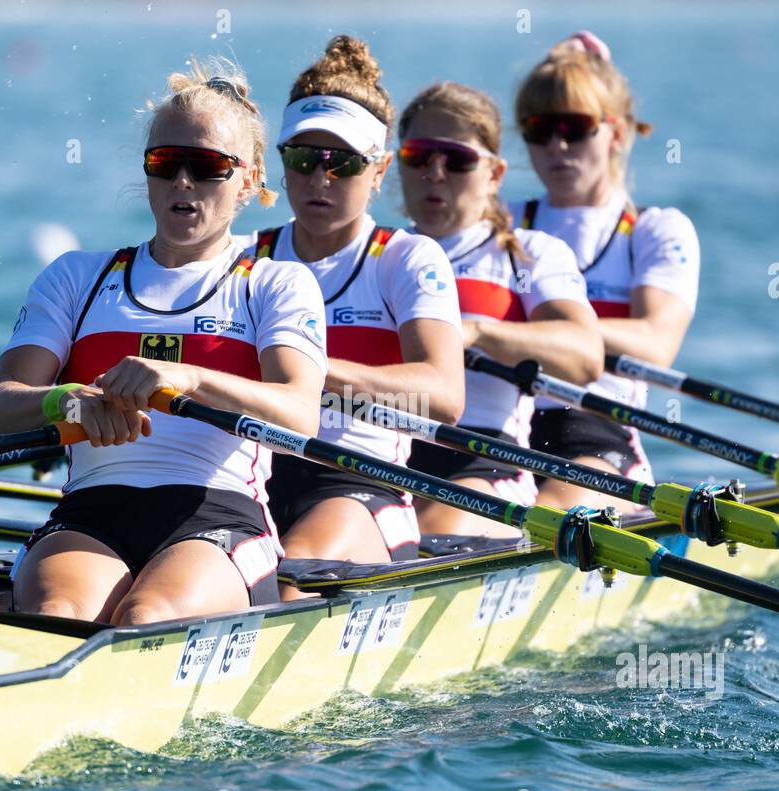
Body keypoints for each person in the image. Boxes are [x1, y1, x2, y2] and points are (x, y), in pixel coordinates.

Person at [0, 61, 327, 625]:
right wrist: (63, 400)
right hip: (91, 511)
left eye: (208, 166)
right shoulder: (76, 277)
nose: (182, 182)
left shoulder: (275, 282)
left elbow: (300, 416)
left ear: (252, 179)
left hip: (219, 515)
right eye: (165, 164)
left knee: (145, 617)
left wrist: (189, 378)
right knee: (58, 613)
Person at [243, 35, 465, 574]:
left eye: (341, 163)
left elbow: (443, 397)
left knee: (292, 576)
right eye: (301, 159)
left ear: (379, 171)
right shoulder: (250, 259)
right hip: (252, 478)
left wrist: (305, 375)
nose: (319, 179)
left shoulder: (405, 259)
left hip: (361, 483)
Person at [398, 81, 601, 537]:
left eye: (456, 159)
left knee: (428, 530)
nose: (434, 172)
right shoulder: (380, 254)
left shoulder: (528, 254)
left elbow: (585, 357)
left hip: (485, 461)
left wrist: (476, 333)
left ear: (494, 174)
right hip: (383, 454)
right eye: (418, 156)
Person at [513, 31, 701, 512]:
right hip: (496, 426)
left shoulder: (652, 232)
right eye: (538, 129)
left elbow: (656, 344)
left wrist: (531, 336)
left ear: (615, 134)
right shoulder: (502, 223)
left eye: (574, 128)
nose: (556, 145)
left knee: (548, 513)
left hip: (597, 433)